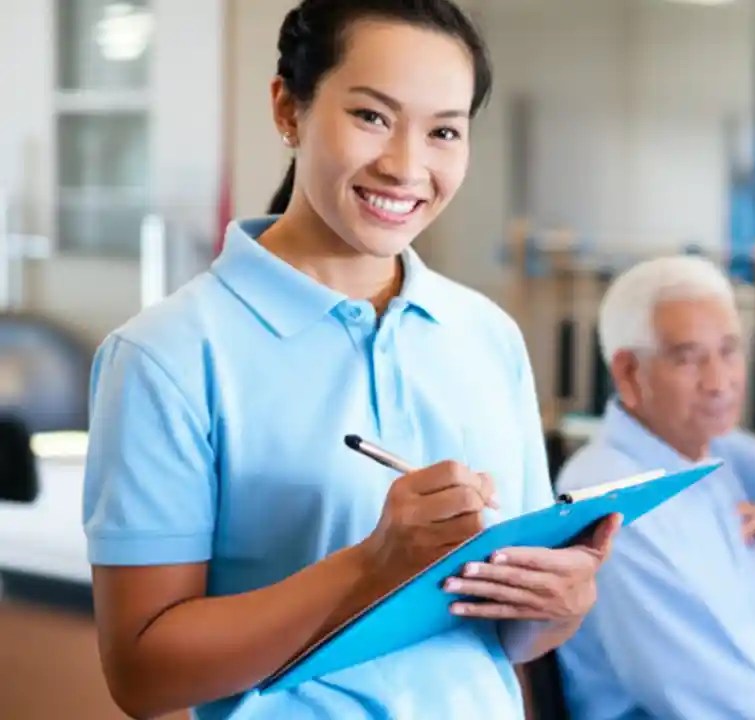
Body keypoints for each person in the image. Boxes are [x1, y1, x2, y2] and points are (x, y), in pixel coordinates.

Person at [81, 2, 618, 718]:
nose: (406, 165)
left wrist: (564, 601)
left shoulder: (486, 335)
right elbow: (143, 676)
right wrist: (370, 565)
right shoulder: (166, 356)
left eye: (444, 131)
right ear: (288, 108)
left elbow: (506, 635)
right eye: (371, 116)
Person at [554, 256, 755, 720]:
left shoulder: (705, 448)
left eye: (729, 350)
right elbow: (711, 698)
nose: (720, 383)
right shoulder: (613, 499)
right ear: (628, 373)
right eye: (688, 358)